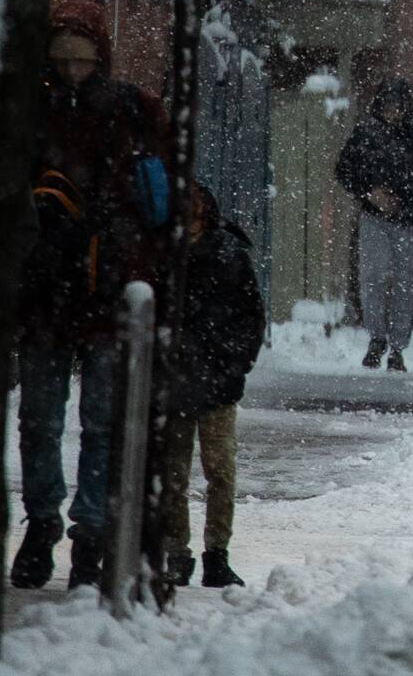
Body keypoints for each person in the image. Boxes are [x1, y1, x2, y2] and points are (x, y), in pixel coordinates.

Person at [14, 0, 167, 591]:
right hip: (48, 287)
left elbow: (158, 199)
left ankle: (89, 534)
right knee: (40, 420)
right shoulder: (30, 109)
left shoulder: (129, 111)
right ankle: (44, 521)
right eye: (62, 61)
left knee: (100, 422)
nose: (73, 72)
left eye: (82, 61)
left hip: (101, 287)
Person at [158, 180, 264, 589]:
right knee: (175, 471)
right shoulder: (169, 254)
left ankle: (215, 553)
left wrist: (233, 362)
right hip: (181, 376)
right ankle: (177, 551)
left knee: (219, 470)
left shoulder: (228, 255)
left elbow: (250, 318)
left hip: (214, 378)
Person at [334, 76, 413, 371]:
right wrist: (369, 192)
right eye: (387, 105)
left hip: (412, 221)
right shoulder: (366, 134)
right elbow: (344, 170)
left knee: (405, 283)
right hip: (375, 218)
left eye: (396, 106)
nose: (391, 111)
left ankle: (398, 346)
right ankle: (377, 337)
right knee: (373, 277)